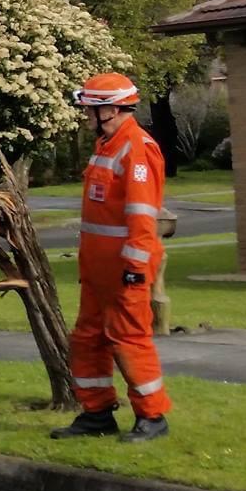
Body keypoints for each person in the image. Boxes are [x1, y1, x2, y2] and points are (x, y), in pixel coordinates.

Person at [52, 72, 171, 441]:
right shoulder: (108, 144)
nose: (87, 116)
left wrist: (135, 269)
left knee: (129, 339)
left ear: (113, 110)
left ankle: (152, 418)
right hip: (99, 272)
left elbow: (141, 219)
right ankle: (97, 414)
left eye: (92, 109)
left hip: (125, 271)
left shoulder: (136, 148)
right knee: (88, 338)